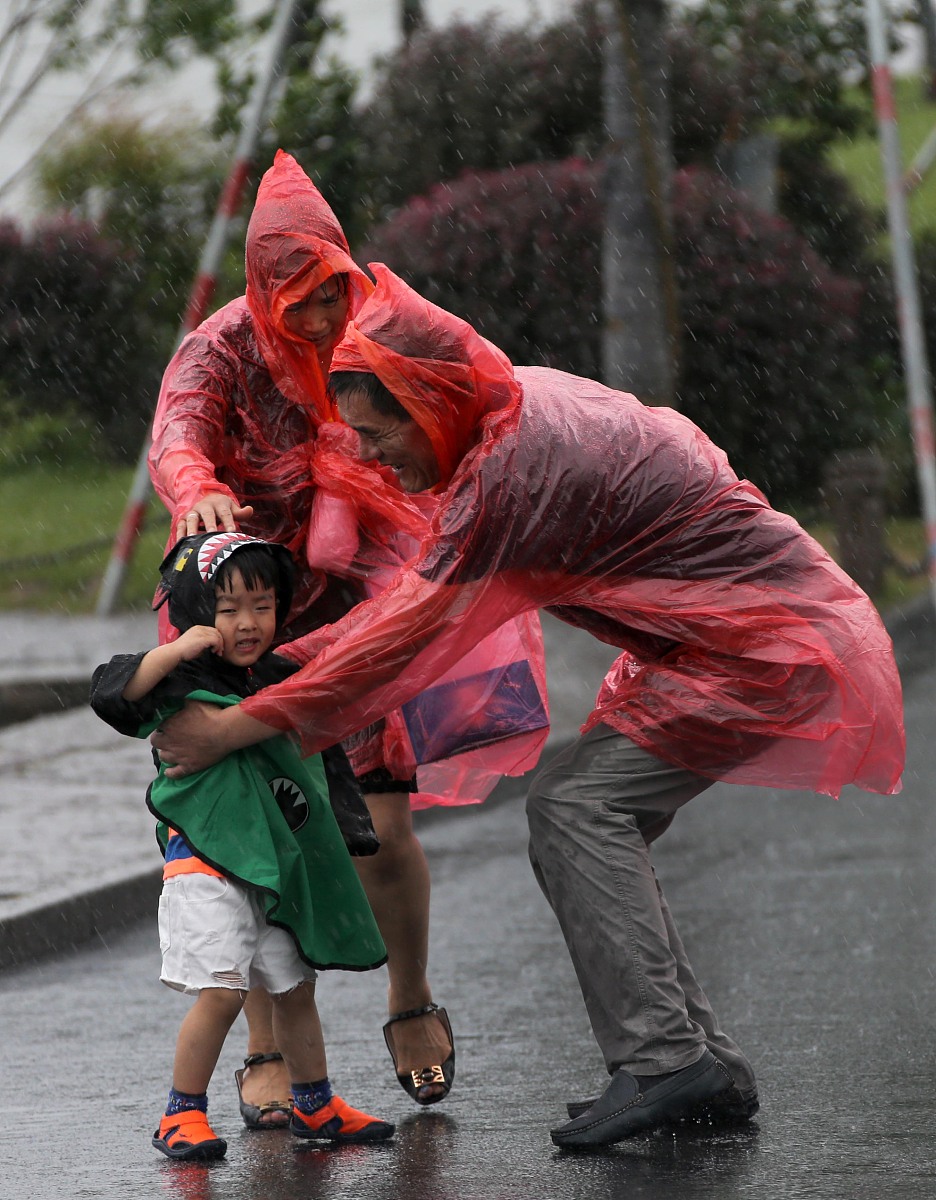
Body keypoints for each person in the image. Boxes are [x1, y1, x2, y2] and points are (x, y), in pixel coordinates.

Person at [150, 265, 905, 1149]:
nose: (368, 456)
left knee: (578, 809)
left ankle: (669, 1062)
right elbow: (397, 621)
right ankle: (701, 1067)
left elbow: (397, 642)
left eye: (376, 433)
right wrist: (266, 676)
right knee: (594, 815)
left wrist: (235, 722)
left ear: (425, 397)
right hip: (739, 644)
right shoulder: (508, 418)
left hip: (763, 650)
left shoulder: (514, 469)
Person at [148, 150, 548, 1122]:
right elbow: (179, 433)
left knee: (383, 824)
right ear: (262, 297)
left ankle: (409, 996)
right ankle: (267, 1041)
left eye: (332, 291)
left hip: (362, 600)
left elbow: (463, 392)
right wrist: (196, 488)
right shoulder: (219, 348)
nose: (324, 322)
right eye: (301, 304)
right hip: (248, 612)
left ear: (347, 269)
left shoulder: (380, 330)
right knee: (259, 829)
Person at [90, 532, 394, 1160]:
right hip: (206, 862)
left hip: (274, 867)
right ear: (199, 612)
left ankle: (315, 1104)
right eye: (226, 610)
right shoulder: (180, 679)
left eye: (262, 605)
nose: (247, 623)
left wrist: (350, 827)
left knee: (294, 987)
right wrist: (174, 651)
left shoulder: (275, 674)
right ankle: (181, 1114)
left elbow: (327, 736)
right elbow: (110, 690)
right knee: (223, 990)